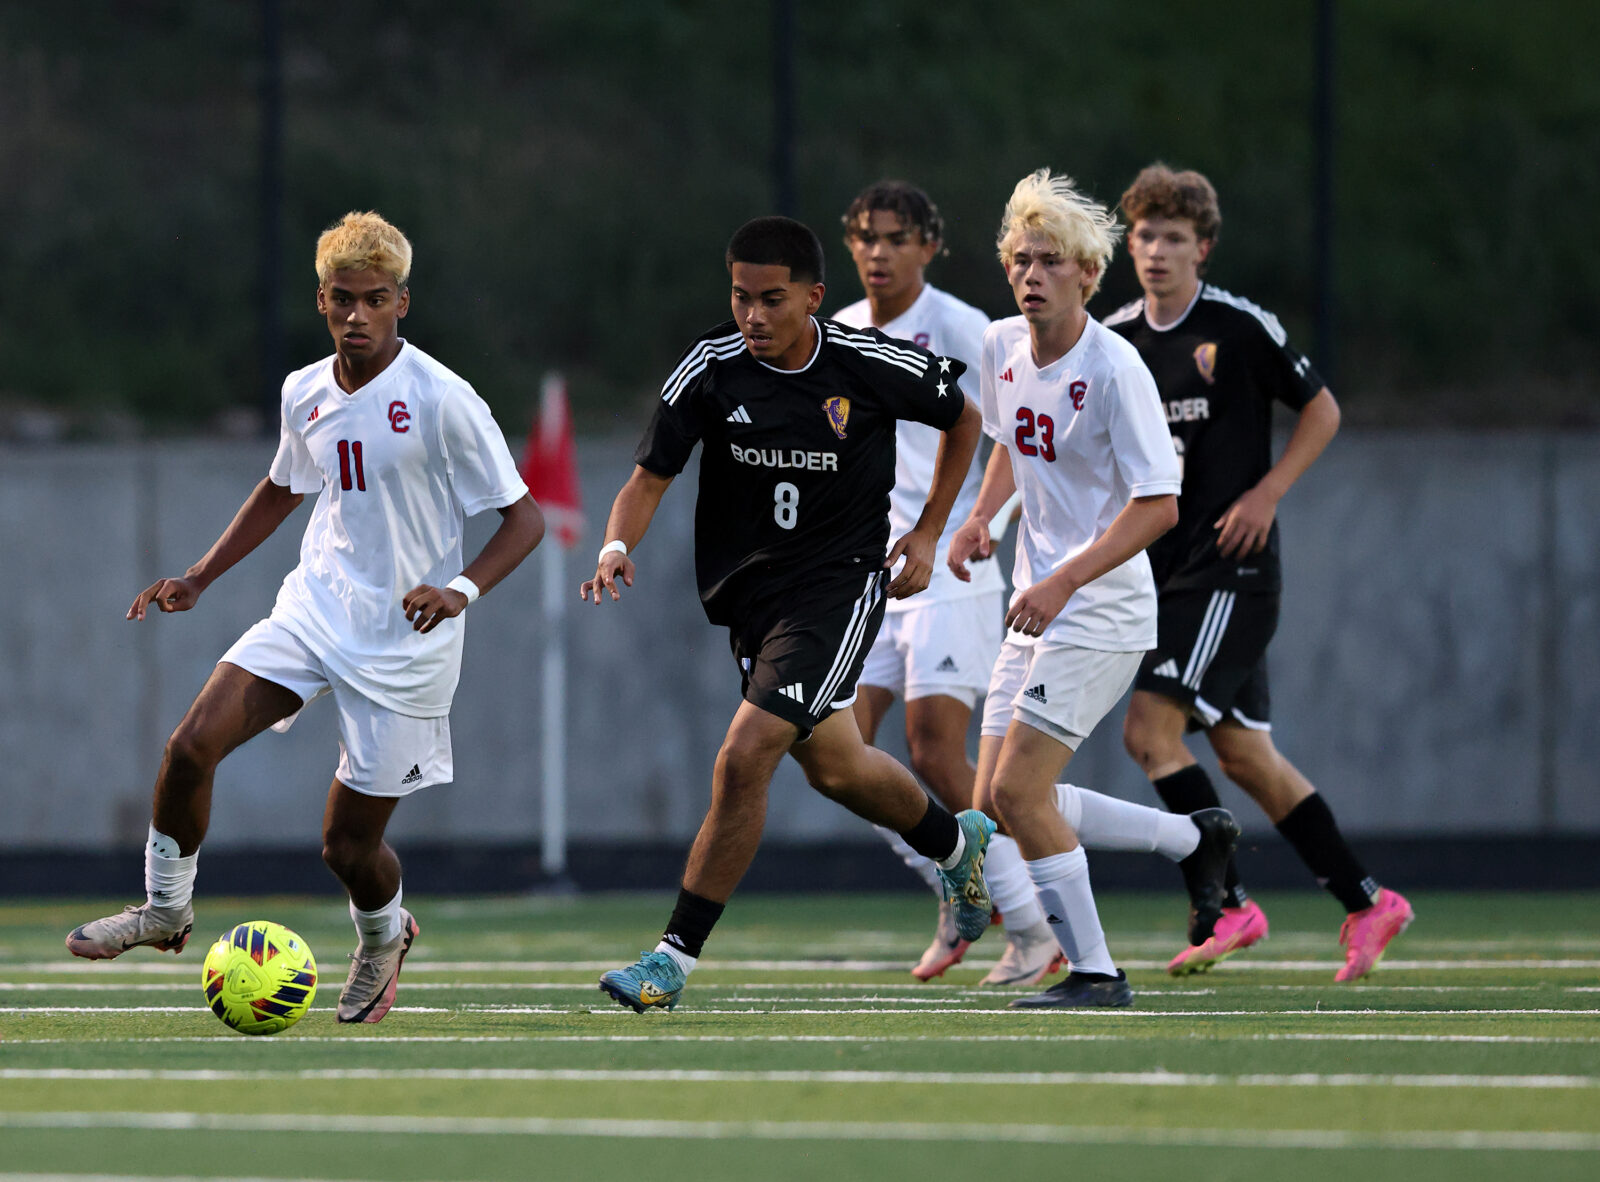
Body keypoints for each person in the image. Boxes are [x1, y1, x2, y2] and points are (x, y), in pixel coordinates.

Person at [66, 212, 545, 1025]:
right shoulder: (304, 390)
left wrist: (457, 590)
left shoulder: (443, 399)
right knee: (190, 746)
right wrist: (200, 575)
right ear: (320, 300)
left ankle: (384, 935)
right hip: (316, 610)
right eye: (341, 300)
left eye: (374, 300)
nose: (356, 315)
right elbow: (285, 487)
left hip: (407, 642)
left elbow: (523, 520)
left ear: (403, 303)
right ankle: (165, 910)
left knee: (346, 847)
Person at [583, 215, 995, 1013]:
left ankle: (671, 959)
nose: (753, 317)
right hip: (752, 600)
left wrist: (929, 527)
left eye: (773, 300)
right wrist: (612, 546)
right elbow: (649, 477)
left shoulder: (868, 362)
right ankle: (954, 842)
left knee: (744, 756)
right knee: (836, 765)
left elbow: (964, 417)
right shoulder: (709, 366)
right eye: (741, 297)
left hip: (837, 587)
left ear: (815, 297)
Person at [1106, 163, 1412, 981]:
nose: (1158, 251)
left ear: (1202, 248)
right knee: (1244, 757)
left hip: (1228, 572)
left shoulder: (1239, 328)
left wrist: (1268, 492)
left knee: (1149, 733)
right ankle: (1366, 901)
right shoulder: (1118, 338)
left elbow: (1323, 408)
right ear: (1129, 246)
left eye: (1175, 238)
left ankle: (1230, 902)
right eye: (1145, 237)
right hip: (1165, 573)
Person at [947, 169, 1239, 1010]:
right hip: (1041, 601)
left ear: (1086, 273)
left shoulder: (1116, 369)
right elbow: (1008, 441)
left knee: (1014, 793)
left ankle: (1097, 973)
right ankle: (1192, 838)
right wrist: (981, 521)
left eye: (1050, 261)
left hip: (1101, 608)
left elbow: (1158, 506)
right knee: (995, 802)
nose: (1031, 275)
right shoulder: (1002, 345)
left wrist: (1066, 578)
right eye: (1020, 260)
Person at [832, 181, 1052, 985]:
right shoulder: (839, 332)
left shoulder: (972, 331)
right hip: (869, 575)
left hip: (951, 567)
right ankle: (958, 882)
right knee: (834, 750)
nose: (878, 252)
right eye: (865, 237)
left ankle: (1033, 923)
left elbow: (1020, 442)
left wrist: (979, 526)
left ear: (930, 245)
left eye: (896, 237)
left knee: (934, 750)